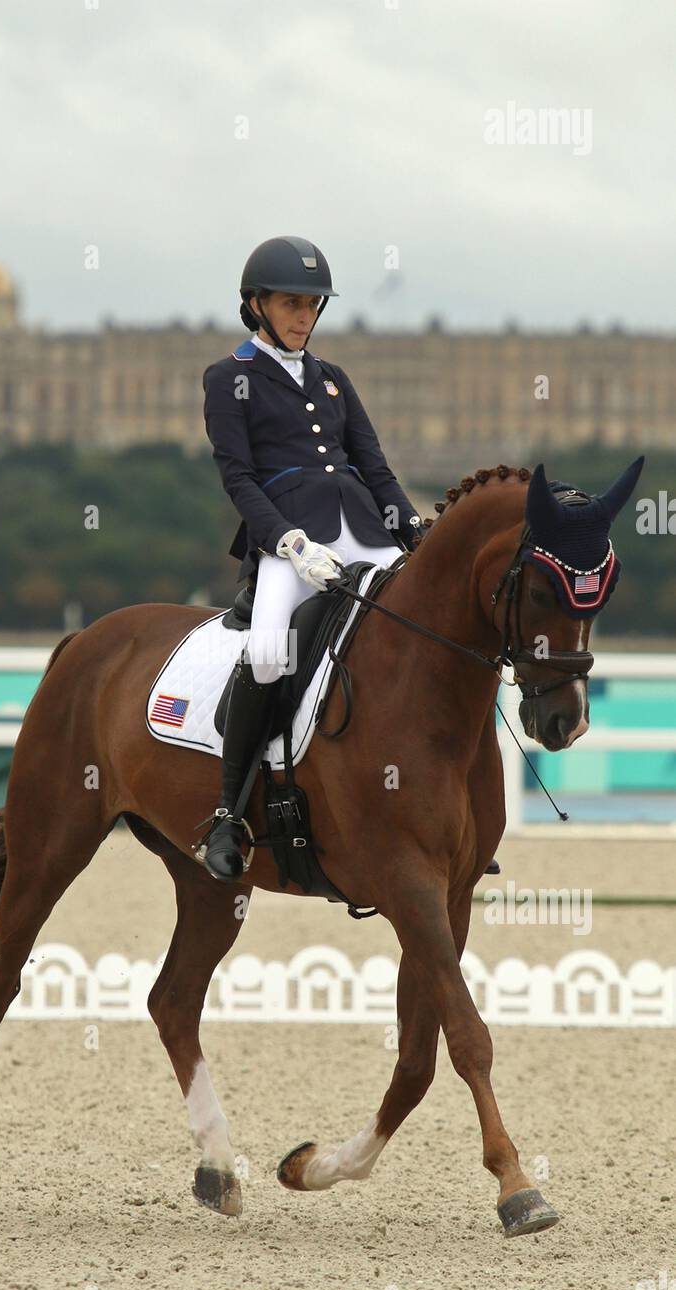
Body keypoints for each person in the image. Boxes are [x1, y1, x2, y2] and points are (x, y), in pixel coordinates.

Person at [199, 235, 422, 882]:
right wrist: (288, 543)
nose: (304, 315)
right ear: (257, 305)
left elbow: (375, 469)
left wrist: (414, 534)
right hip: (291, 536)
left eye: (312, 304)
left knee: (423, 632)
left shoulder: (332, 380)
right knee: (270, 652)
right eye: (292, 303)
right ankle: (227, 815)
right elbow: (238, 478)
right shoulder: (229, 377)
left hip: (363, 527)